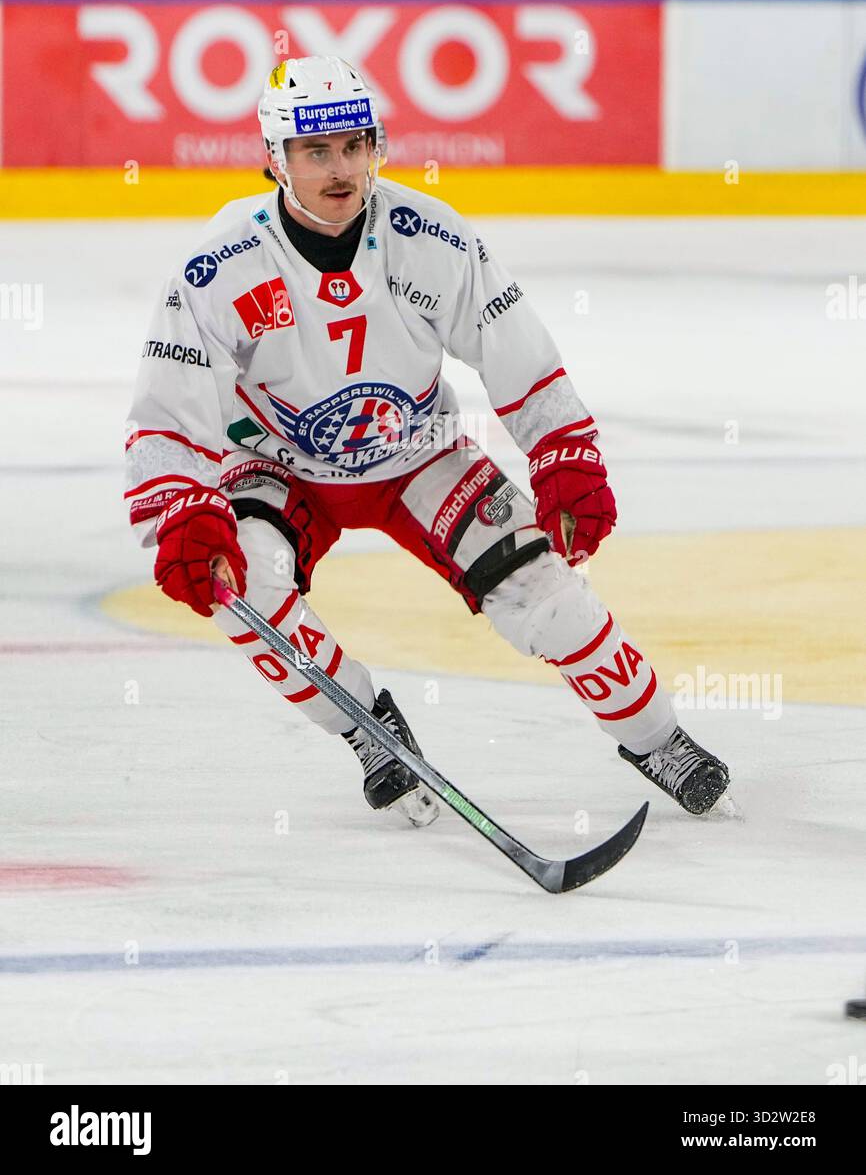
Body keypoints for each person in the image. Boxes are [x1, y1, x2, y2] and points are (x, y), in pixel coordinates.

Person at [125, 55, 730, 826]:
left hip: (420, 451)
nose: (341, 169)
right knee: (248, 588)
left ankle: (660, 741)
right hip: (274, 462)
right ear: (273, 158)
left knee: (546, 595)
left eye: (355, 145)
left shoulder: (432, 239)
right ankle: (369, 729)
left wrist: (564, 454)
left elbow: (521, 359)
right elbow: (168, 408)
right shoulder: (221, 263)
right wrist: (185, 510)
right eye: (316, 152)